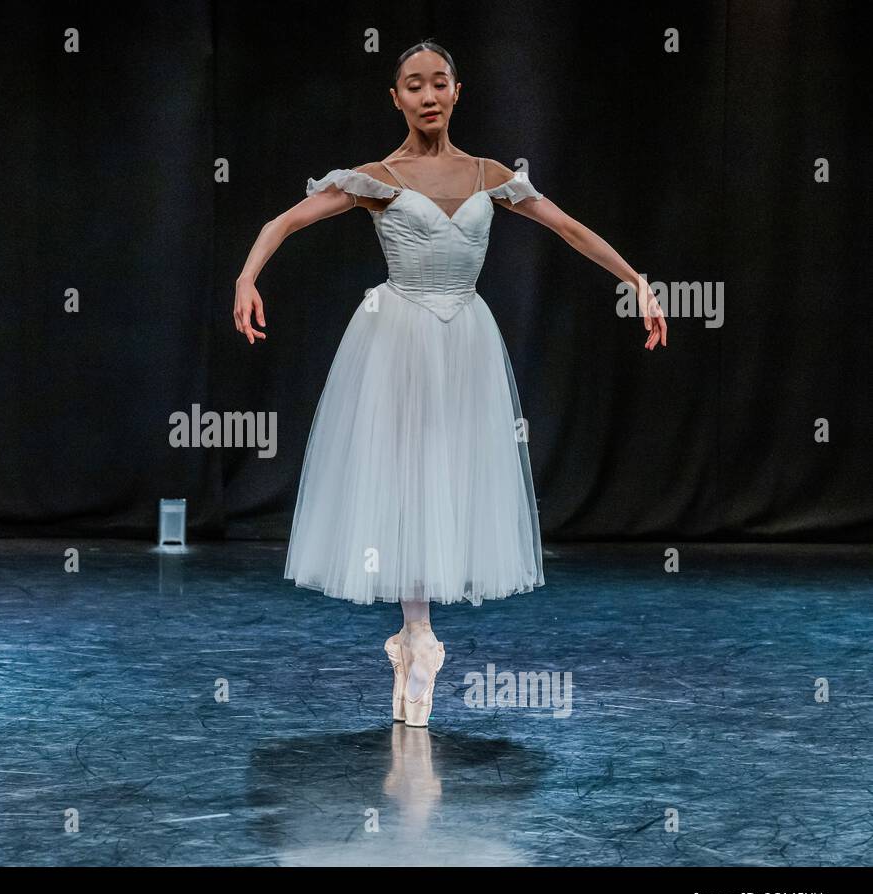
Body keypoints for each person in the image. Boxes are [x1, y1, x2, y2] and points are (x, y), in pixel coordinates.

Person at [232, 40, 667, 726]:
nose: (428, 95)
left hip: (464, 335)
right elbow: (282, 221)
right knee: (407, 477)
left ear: (458, 91)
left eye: (439, 83)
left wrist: (637, 280)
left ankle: (414, 636)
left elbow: (570, 231)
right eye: (414, 85)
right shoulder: (376, 177)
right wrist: (247, 276)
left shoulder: (492, 175)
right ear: (396, 97)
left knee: (446, 478)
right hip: (397, 333)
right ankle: (421, 636)